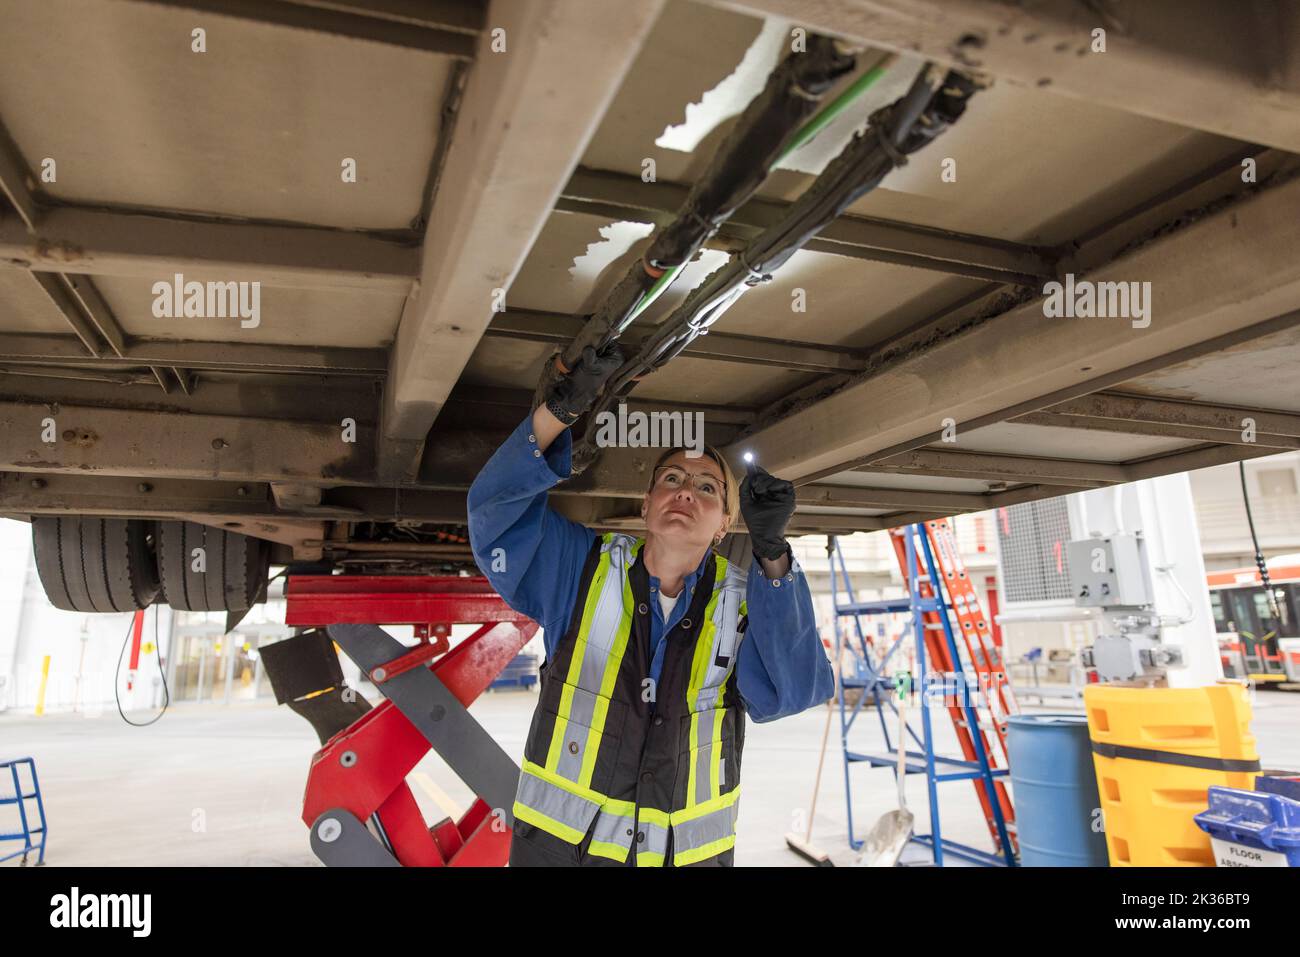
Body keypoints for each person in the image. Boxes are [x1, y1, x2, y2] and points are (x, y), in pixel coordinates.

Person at [468, 342, 833, 866]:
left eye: (707, 487)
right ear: (646, 504)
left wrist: (773, 555)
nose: (686, 492)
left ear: (724, 523)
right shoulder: (583, 568)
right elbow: (493, 513)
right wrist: (559, 412)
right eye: (672, 480)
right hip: (558, 851)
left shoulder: (746, 604)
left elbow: (792, 692)